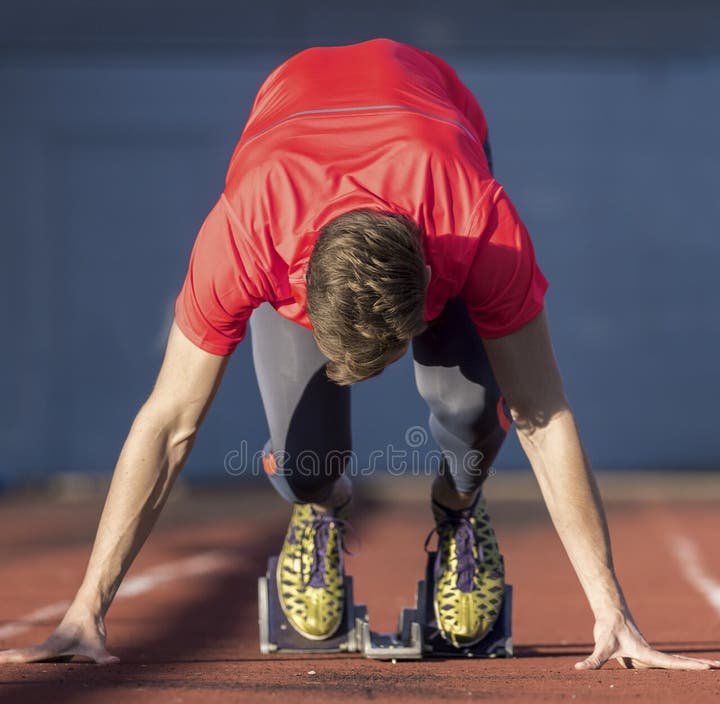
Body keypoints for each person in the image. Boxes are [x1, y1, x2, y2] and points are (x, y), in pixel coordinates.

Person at [1, 39, 716, 670]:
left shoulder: (475, 220)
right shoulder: (249, 229)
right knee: (304, 456)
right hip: (288, 127)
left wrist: (611, 611)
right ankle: (319, 511)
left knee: (470, 416)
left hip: (437, 112)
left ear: (434, 282)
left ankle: (460, 513)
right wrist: (85, 610)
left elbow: (542, 411)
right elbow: (168, 423)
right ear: (299, 292)